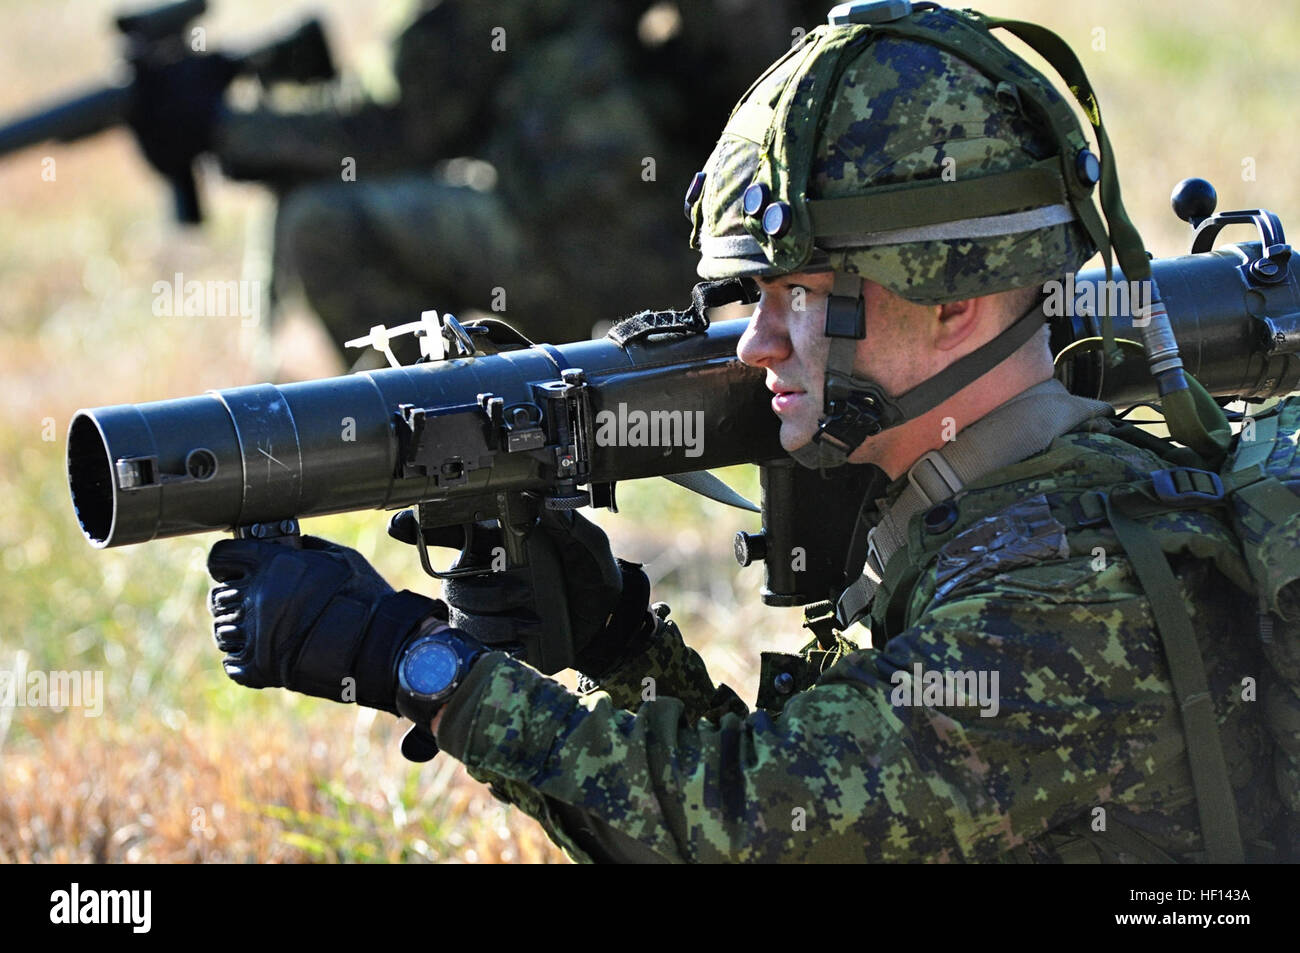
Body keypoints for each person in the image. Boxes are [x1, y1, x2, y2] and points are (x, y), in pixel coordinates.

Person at [204, 3, 1290, 862]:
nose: (759, 344)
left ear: (952, 298)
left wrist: (414, 661)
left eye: (800, 298)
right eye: (753, 298)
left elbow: (742, 830)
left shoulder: (1048, 590)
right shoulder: (1009, 496)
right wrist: (621, 643)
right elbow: (836, 796)